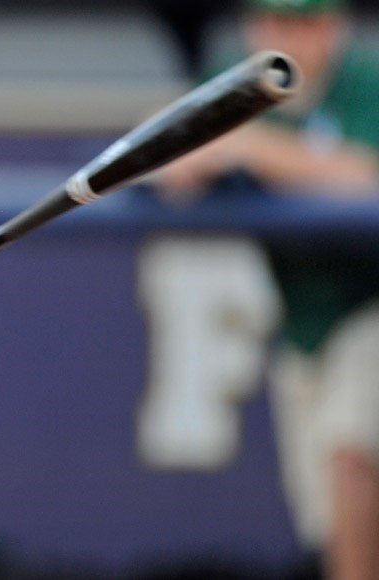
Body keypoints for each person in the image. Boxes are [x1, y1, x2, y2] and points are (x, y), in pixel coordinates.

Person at [155, 0, 379, 577]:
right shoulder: (238, 79)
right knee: (326, 515)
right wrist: (181, 163)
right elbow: (169, 160)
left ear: (334, 27)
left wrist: (252, 149)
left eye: (306, 21)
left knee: (351, 458)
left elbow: (366, 177)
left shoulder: (368, 79)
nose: (291, 36)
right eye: (276, 20)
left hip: (371, 301)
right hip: (303, 316)